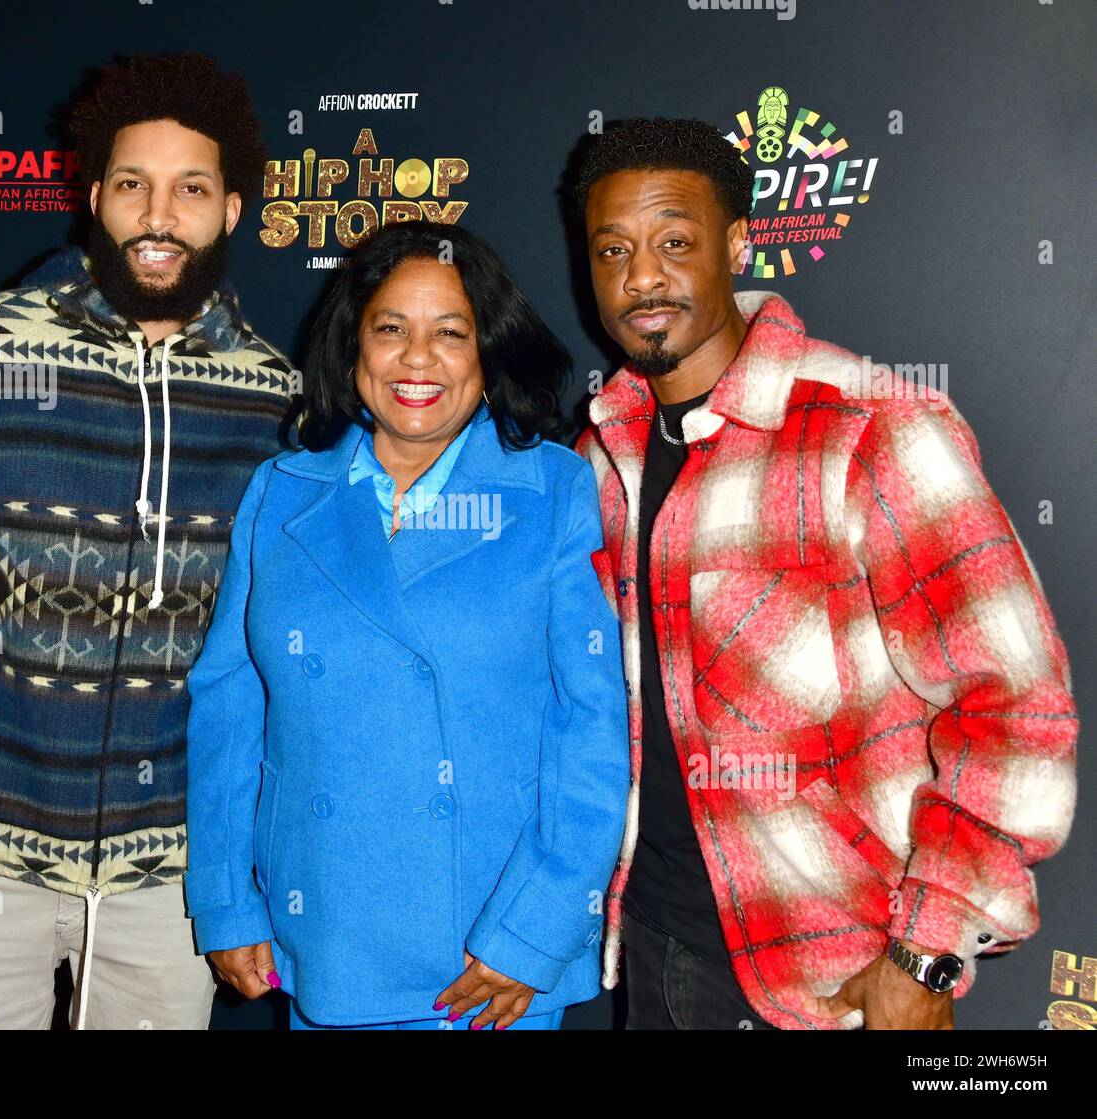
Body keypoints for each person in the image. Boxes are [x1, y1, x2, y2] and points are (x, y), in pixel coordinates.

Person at [569, 117, 1078, 1029]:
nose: (640, 276)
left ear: (737, 244)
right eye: (613, 250)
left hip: (835, 979)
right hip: (652, 949)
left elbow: (1016, 707)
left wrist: (925, 954)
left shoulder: (871, 427)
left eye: (674, 242)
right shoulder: (605, 456)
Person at [0, 52, 293, 1029]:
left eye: (190, 189)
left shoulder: (274, 397)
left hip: (170, 879)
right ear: (94, 198)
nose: (158, 214)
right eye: (132, 185)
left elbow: (272, 655)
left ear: (232, 212)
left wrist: (242, 858)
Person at [184, 220, 629, 1030]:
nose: (417, 359)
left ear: (487, 353)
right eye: (390, 329)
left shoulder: (552, 490)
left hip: (489, 962)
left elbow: (590, 735)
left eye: (450, 334)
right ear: (353, 348)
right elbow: (228, 706)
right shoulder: (281, 492)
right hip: (326, 931)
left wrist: (533, 931)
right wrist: (224, 896)